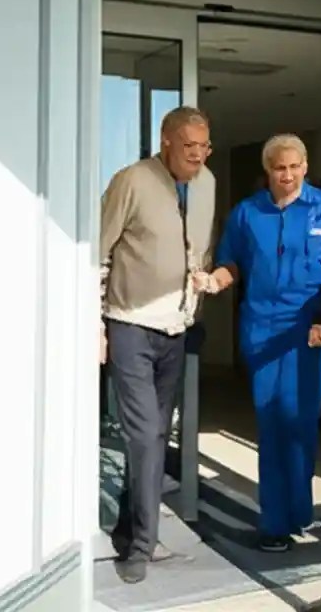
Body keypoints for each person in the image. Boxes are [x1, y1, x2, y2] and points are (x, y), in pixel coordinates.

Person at [193, 133, 321, 553]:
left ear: (305, 167)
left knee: (301, 424)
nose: (287, 175)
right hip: (263, 331)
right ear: (267, 172)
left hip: (311, 331)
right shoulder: (246, 213)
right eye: (279, 168)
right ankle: (274, 524)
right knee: (271, 424)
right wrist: (216, 280)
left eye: (294, 167)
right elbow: (231, 262)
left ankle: (299, 512)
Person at [99, 106, 215, 584]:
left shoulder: (206, 183)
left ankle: (132, 529)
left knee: (152, 439)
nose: (198, 156)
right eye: (190, 146)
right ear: (166, 141)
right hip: (129, 324)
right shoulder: (131, 180)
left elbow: (200, 248)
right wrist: (94, 327)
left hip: (177, 327)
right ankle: (142, 548)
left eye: (205, 147)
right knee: (146, 436)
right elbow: (97, 250)